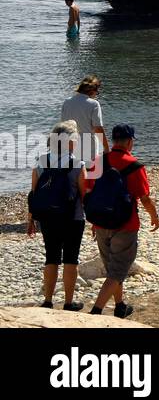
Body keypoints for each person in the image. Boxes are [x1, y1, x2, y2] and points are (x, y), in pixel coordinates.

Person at [86, 125, 159, 319]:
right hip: (125, 225)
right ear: (130, 142)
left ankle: (120, 306)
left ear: (113, 141)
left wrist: (93, 221)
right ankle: (96, 312)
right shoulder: (134, 166)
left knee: (113, 269)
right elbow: (144, 198)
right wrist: (154, 215)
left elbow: (88, 192)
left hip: (101, 223)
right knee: (117, 272)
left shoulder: (98, 162)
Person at [27, 121, 90, 311]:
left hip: (47, 218)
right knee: (71, 259)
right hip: (72, 218)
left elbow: (34, 193)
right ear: (69, 142)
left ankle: (47, 301)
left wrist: (31, 219)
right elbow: (84, 196)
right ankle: (68, 303)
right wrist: (94, 219)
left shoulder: (41, 162)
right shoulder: (78, 164)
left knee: (51, 257)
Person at [60, 75, 106, 164]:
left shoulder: (67, 102)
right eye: (97, 92)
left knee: (72, 174)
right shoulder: (94, 104)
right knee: (88, 174)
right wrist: (106, 148)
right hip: (88, 147)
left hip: (70, 146)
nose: (96, 95)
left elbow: (63, 127)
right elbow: (98, 128)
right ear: (92, 90)